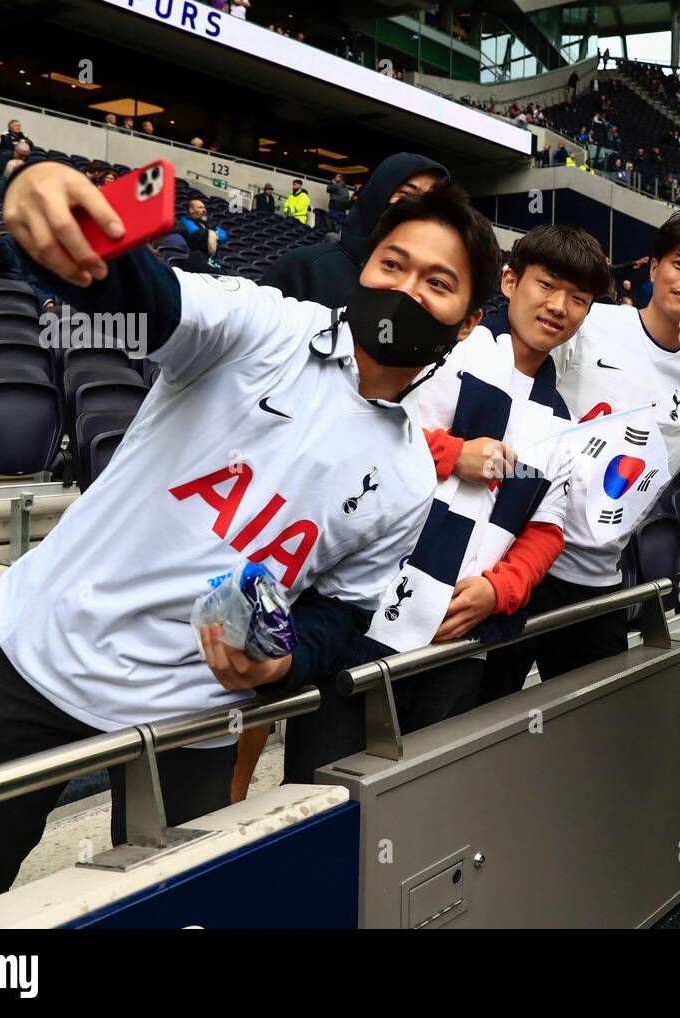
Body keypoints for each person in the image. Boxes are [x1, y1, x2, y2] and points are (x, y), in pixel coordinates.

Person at [0, 167, 499, 927]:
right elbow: (145, 299)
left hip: (191, 715)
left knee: (173, 915)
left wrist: (286, 659)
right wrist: (57, 204)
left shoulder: (414, 471)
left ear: (467, 321)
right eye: (392, 265)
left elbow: (342, 612)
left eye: (437, 282)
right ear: (362, 270)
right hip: (46, 657)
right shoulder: (269, 325)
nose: (406, 290)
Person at [249, 226, 610, 793]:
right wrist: (451, 453)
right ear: (511, 282)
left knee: (424, 797)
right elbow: (371, 421)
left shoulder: (563, 418)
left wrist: (502, 590)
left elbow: (547, 528)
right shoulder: (447, 350)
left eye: (580, 299)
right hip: (361, 609)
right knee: (321, 792)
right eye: (548, 285)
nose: (559, 307)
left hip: (457, 635)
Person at [479, 213, 680, 700]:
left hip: (597, 583)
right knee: (473, 718)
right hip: (513, 559)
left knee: (594, 731)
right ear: (654, 266)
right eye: (679, 263)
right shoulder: (589, 321)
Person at [263, 154, 447, 305]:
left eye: (430, 199)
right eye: (405, 194)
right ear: (378, 194)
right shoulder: (303, 266)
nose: (418, 206)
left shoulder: (428, 294)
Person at [175, 197, 227, 274]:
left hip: (208, 257)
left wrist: (210, 235)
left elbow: (224, 235)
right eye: (200, 207)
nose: (204, 210)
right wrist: (212, 233)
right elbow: (196, 233)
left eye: (204, 208)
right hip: (194, 255)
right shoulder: (185, 221)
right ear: (191, 210)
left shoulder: (209, 222)